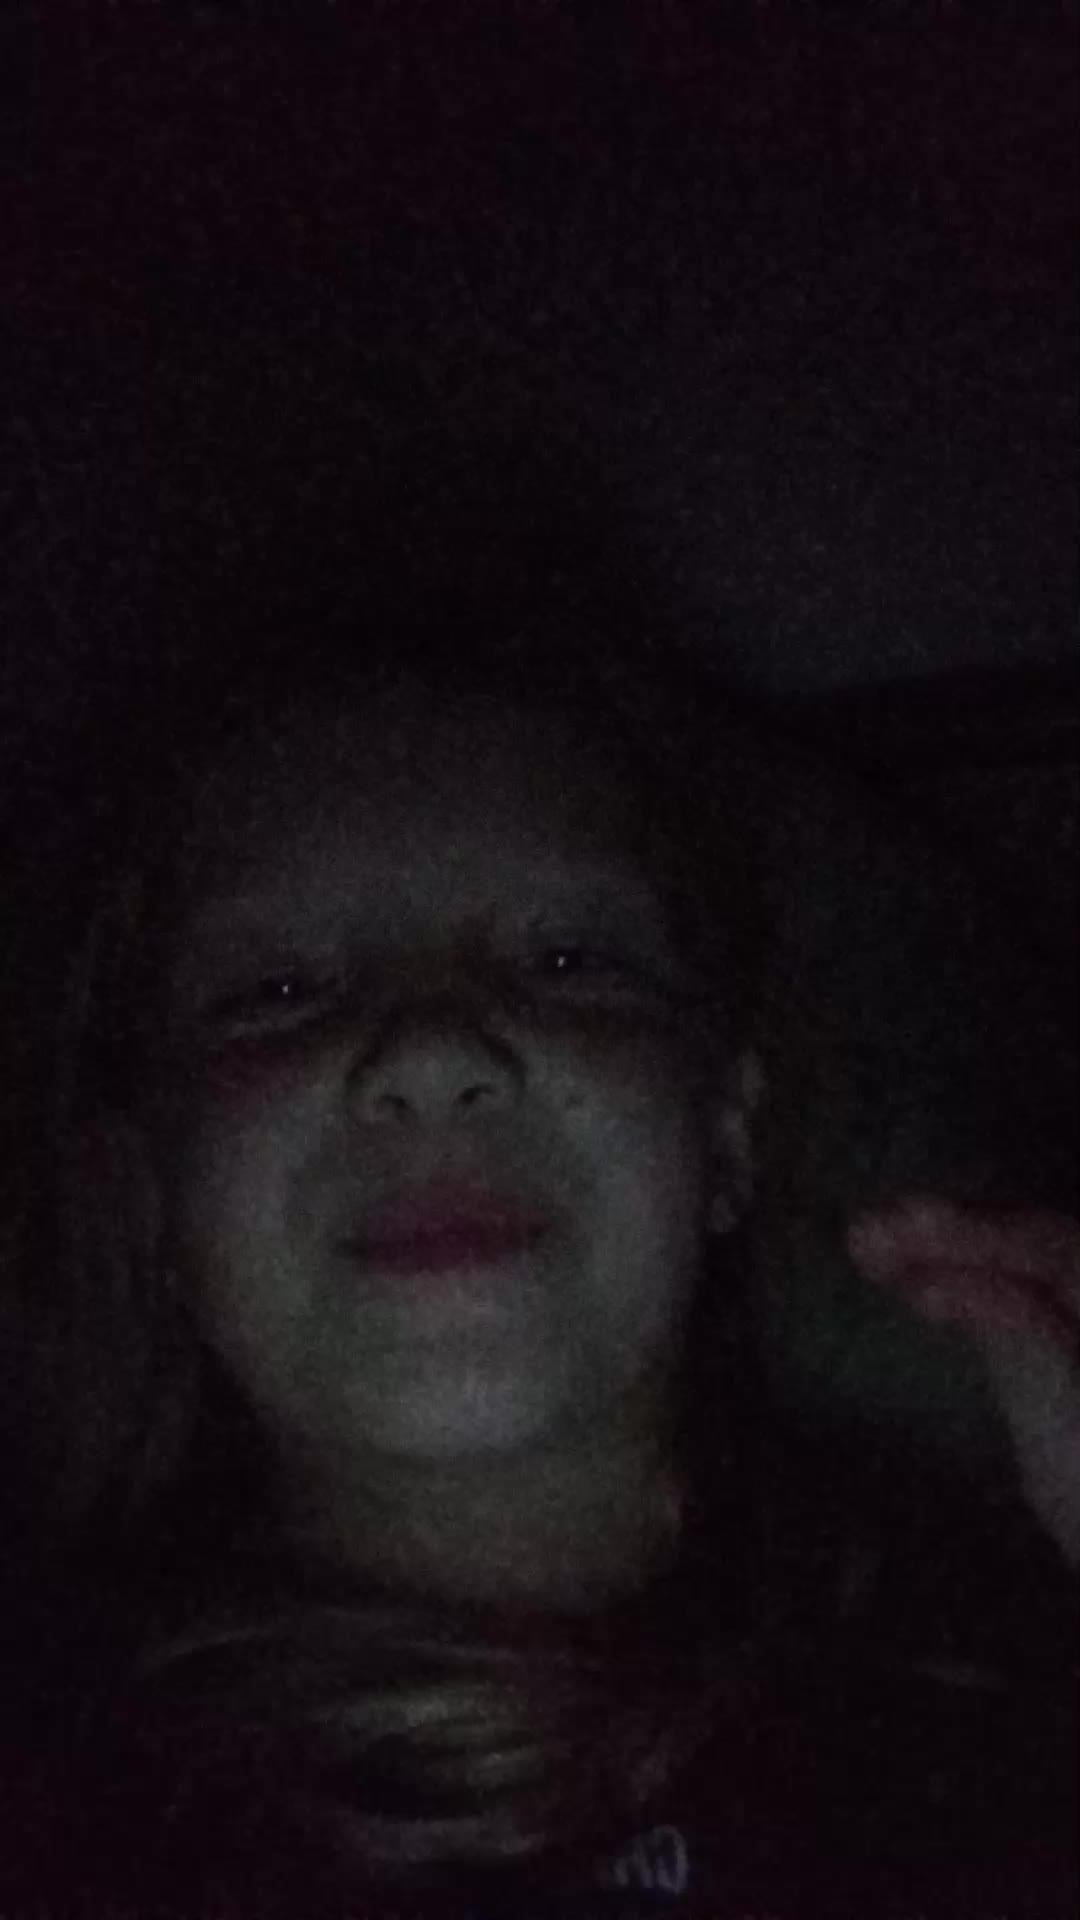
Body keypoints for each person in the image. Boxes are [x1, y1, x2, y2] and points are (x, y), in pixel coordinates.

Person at [1, 597, 1076, 1919]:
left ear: (725, 1139)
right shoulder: (52, 1786)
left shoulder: (990, 1684)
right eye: (275, 990)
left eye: (568, 959)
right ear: (150, 1189)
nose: (430, 1052)